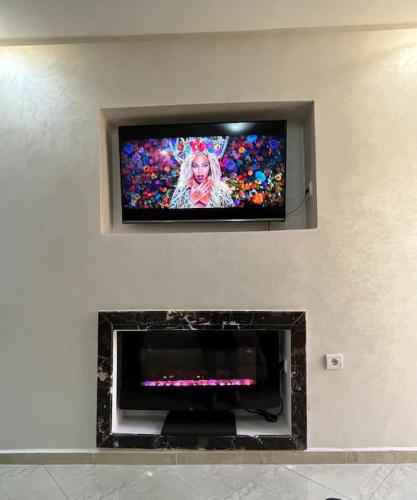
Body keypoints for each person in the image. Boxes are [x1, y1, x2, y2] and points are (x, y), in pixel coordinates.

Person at [169, 137, 234, 209]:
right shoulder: (181, 190)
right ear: (190, 167)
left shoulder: (221, 189)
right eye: (195, 166)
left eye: (204, 165)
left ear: (210, 166)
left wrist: (207, 202)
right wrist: (192, 200)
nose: (200, 171)